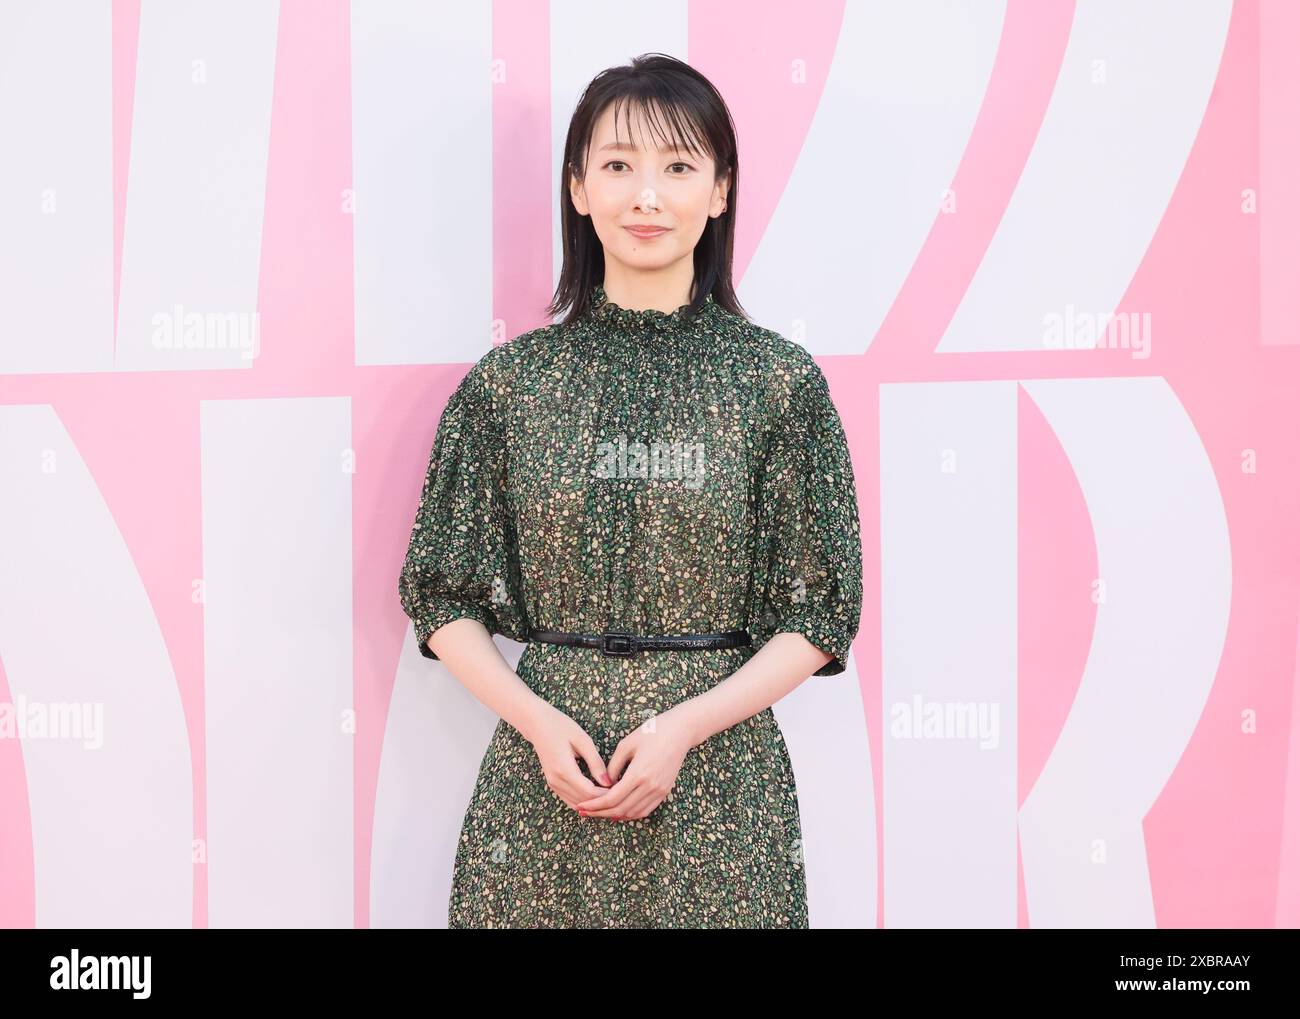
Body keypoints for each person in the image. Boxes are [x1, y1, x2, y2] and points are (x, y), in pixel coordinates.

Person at [398, 53, 863, 928]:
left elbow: (820, 612)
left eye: (678, 167)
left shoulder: (778, 383)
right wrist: (538, 722)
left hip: (722, 783)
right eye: (618, 166)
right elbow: (439, 596)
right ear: (578, 188)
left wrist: (684, 726)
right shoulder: (509, 386)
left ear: (721, 191)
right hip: (549, 782)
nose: (646, 195)